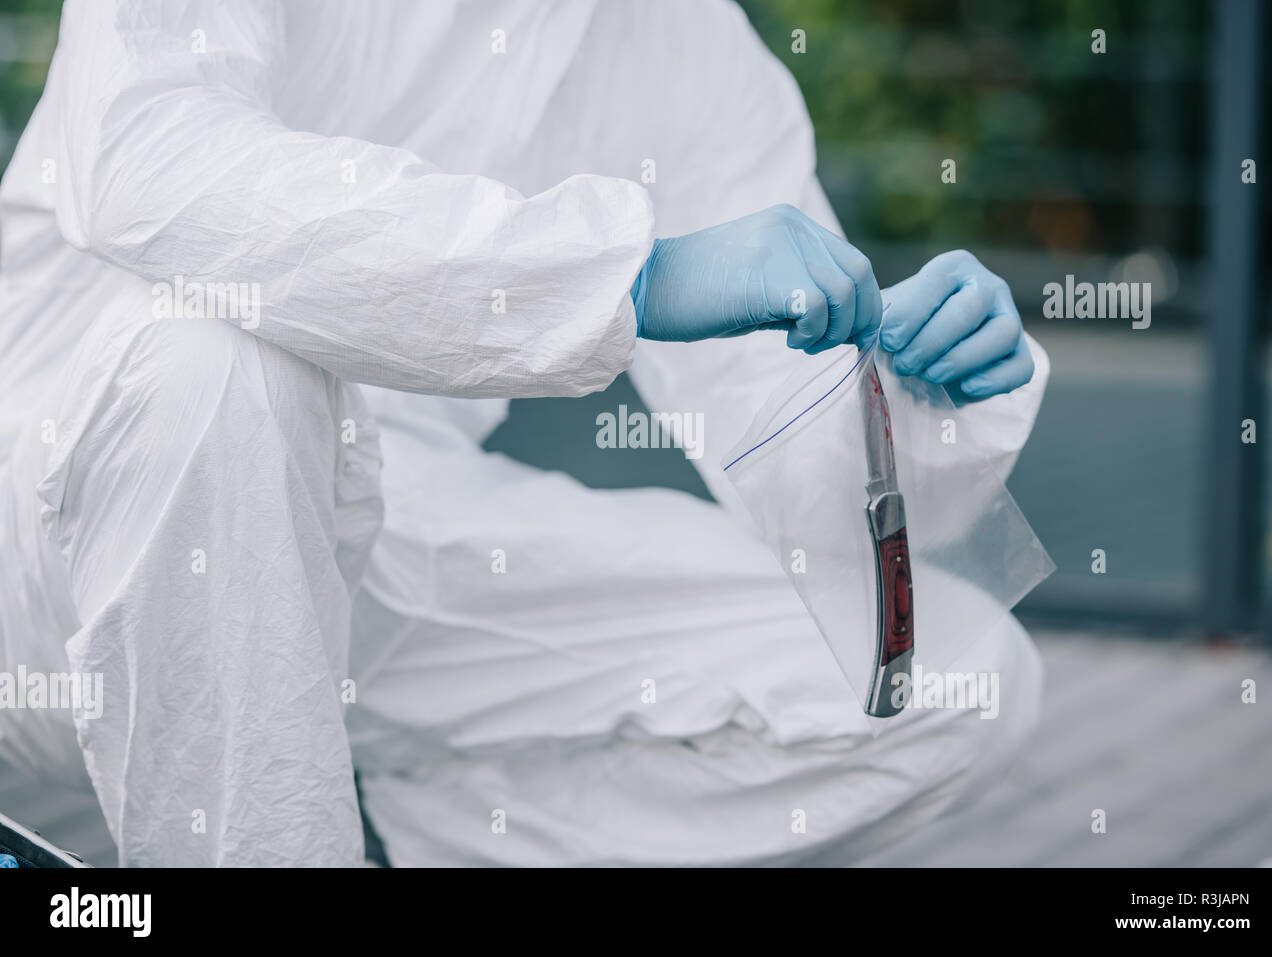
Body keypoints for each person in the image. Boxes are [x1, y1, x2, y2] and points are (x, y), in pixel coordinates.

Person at [0, 0, 1046, 866]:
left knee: (952, 680)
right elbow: (149, 159)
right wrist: (623, 274)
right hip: (55, 521)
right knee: (219, 355)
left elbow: (810, 491)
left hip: (392, 537)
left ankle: (369, 836)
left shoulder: (686, 42)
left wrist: (917, 398)